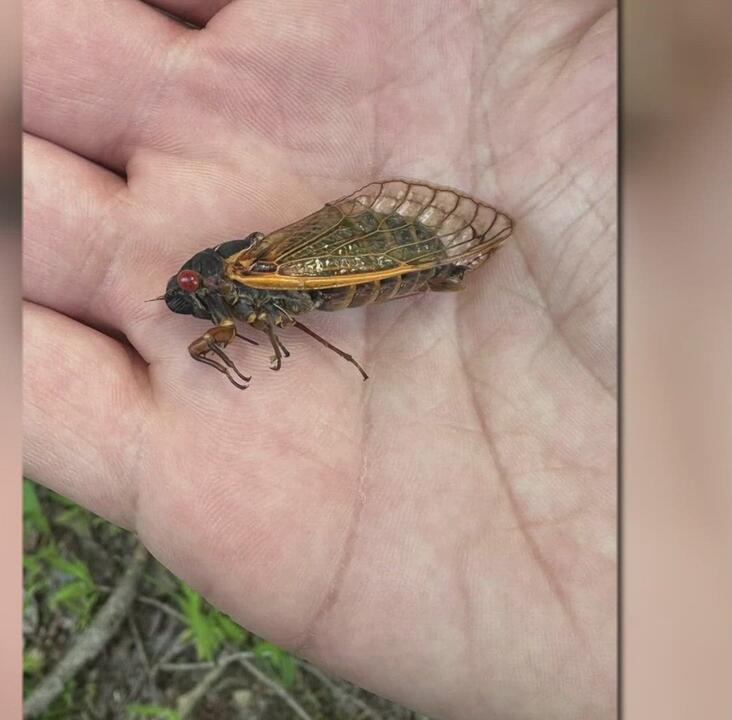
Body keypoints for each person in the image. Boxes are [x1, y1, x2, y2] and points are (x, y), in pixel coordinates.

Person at [23, 1, 616, 718]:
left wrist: (264, 331)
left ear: (213, 283)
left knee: (331, 287)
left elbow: (275, 319)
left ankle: (439, 259)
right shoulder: (225, 306)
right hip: (317, 271)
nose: (192, 307)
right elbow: (246, 332)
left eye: (192, 293)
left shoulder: (245, 281)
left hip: (346, 261)